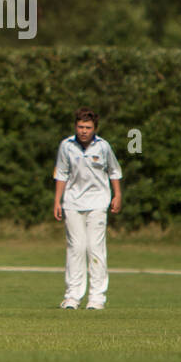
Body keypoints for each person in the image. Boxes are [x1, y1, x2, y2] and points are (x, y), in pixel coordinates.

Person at [53, 107, 123, 309]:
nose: (84, 131)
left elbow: (114, 171)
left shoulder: (103, 147)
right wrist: (57, 201)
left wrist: (117, 195)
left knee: (95, 248)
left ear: (95, 128)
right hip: (73, 202)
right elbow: (61, 174)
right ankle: (72, 296)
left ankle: (96, 297)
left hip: (98, 202)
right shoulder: (66, 146)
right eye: (81, 126)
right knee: (76, 248)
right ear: (75, 126)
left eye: (88, 127)